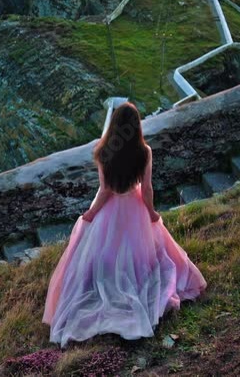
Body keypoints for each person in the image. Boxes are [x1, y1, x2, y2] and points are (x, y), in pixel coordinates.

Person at [43, 102, 207, 347]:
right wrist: (151, 213)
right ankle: (135, 282)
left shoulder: (103, 152)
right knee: (142, 252)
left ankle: (109, 279)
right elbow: (147, 189)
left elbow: (105, 190)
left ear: (113, 126)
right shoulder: (144, 151)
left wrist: (92, 213)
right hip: (135, 208)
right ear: (136, 126)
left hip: (110, 210)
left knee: (104, 250)